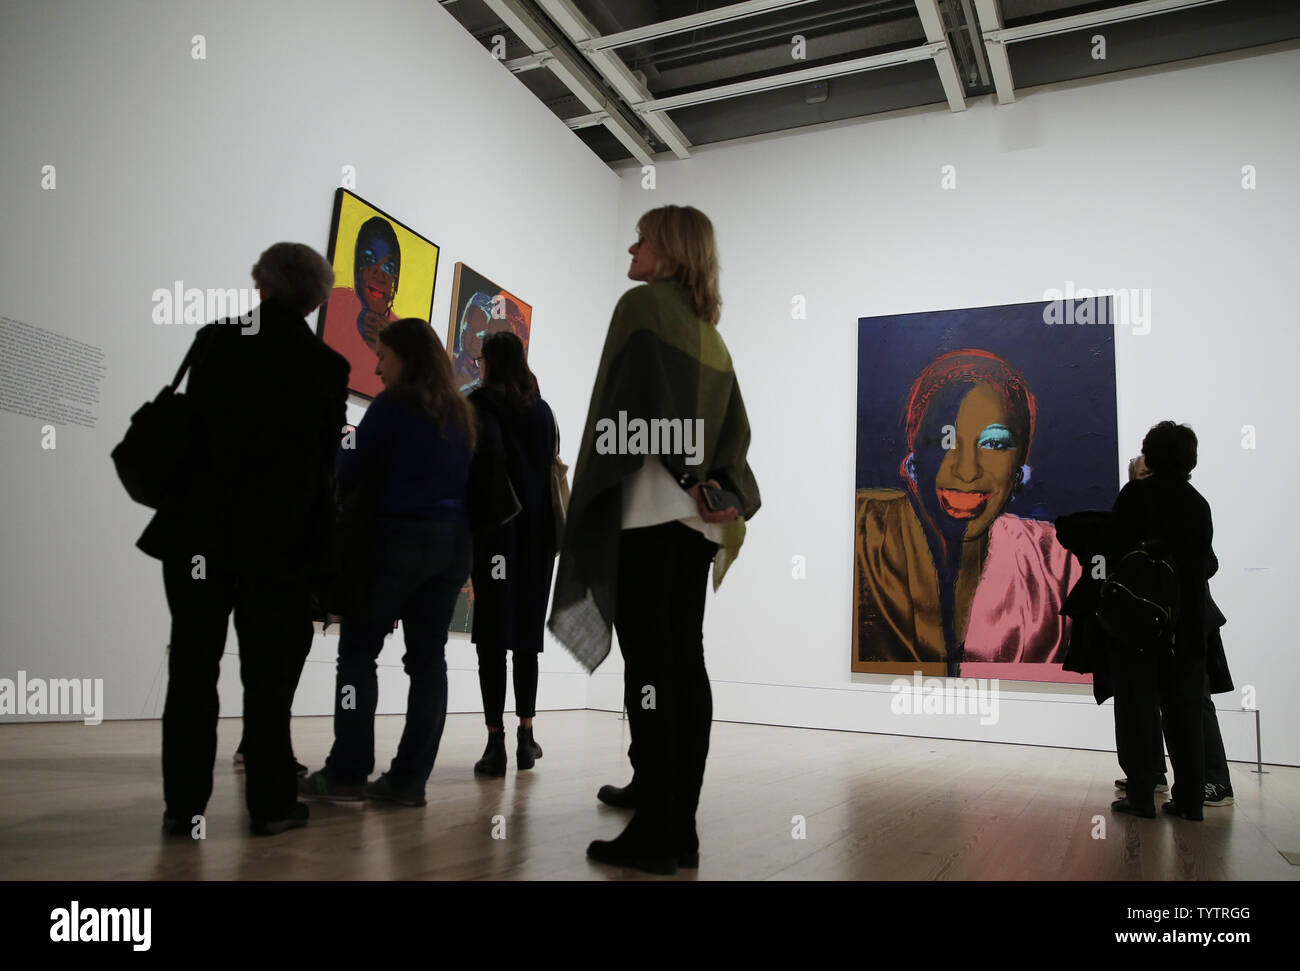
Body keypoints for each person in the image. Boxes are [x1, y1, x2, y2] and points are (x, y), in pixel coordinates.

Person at [548, 205, 761, 874]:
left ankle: (657, 829)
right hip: (697, 524)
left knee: (650, 666)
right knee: (682, 662)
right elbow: (735, 436)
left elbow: (626, 411)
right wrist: (704, 479)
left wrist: (679, 469)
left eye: (641, 238)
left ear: (669, 250)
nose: (631, 250)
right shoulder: (712, 336)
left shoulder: (640, 308)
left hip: (649, 511)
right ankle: (678, 824)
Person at [137, 242, 349, 836]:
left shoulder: (216, 339)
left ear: (261, 281)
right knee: (268, 679)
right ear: (315, 299)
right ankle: (272, 804)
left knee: (192, 670)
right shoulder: (328, 368)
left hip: (199, 533)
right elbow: (319, 474)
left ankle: (184, 806)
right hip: (277, 548)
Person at [299, 318, 475, 807]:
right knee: (428, 660)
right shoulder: (460, 413)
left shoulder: (394, 405)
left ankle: (348, 771)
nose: (377, 368)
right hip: (453, 548)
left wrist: (343, 437)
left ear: (406, 357)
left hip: (397, 540)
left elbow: (348, 462)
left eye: (383, 356)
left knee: (357, 653)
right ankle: (408, 781)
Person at [854, 349, 1080, 676]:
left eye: (994, 444)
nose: (967, 470)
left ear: (1019, 466)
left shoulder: (1057, 567)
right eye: (944, 441)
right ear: (914, 450)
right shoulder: (861, 533)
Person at [1107, 421, 1215, 821]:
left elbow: (1114, 549)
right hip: (1185, 622)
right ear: (1190, 459)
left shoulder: (1137, 496)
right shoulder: (1198, 503)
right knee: (1184, 712)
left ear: (1148, 457)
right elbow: (1204, 564)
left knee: (1137, 707)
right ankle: (1190, 801)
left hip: (1140, 621)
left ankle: (1140, 797)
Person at [466, 331, 557, 775]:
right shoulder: (543, 412)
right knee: (525, 640)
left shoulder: (481, 405)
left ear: (490, 362)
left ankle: (494, 743)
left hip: (497, 537)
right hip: (537, 542)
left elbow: (480, 467)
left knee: (490, 641)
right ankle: (526, 736)